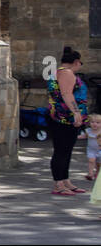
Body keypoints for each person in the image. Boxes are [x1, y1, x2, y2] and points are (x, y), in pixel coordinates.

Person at [47, 47, 89, 195]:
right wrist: (76, 112)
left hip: (59, 116)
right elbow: (66, 94)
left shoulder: (56, 72)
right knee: (62, 151)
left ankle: (65, 181)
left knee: (65, 150)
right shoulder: (67, 73)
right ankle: (58, 184)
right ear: (76, 62)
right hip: (64, 118)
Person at [87, 114, 101, 181]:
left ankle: (97, 173)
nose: (94, 124)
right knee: (91, 160)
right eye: (92, 122)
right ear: (89, 123)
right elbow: (84, 136)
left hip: (100, 150)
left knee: (99, 164)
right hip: (91, 150)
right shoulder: (88, 131)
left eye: (98, 122)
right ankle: (90, 174)